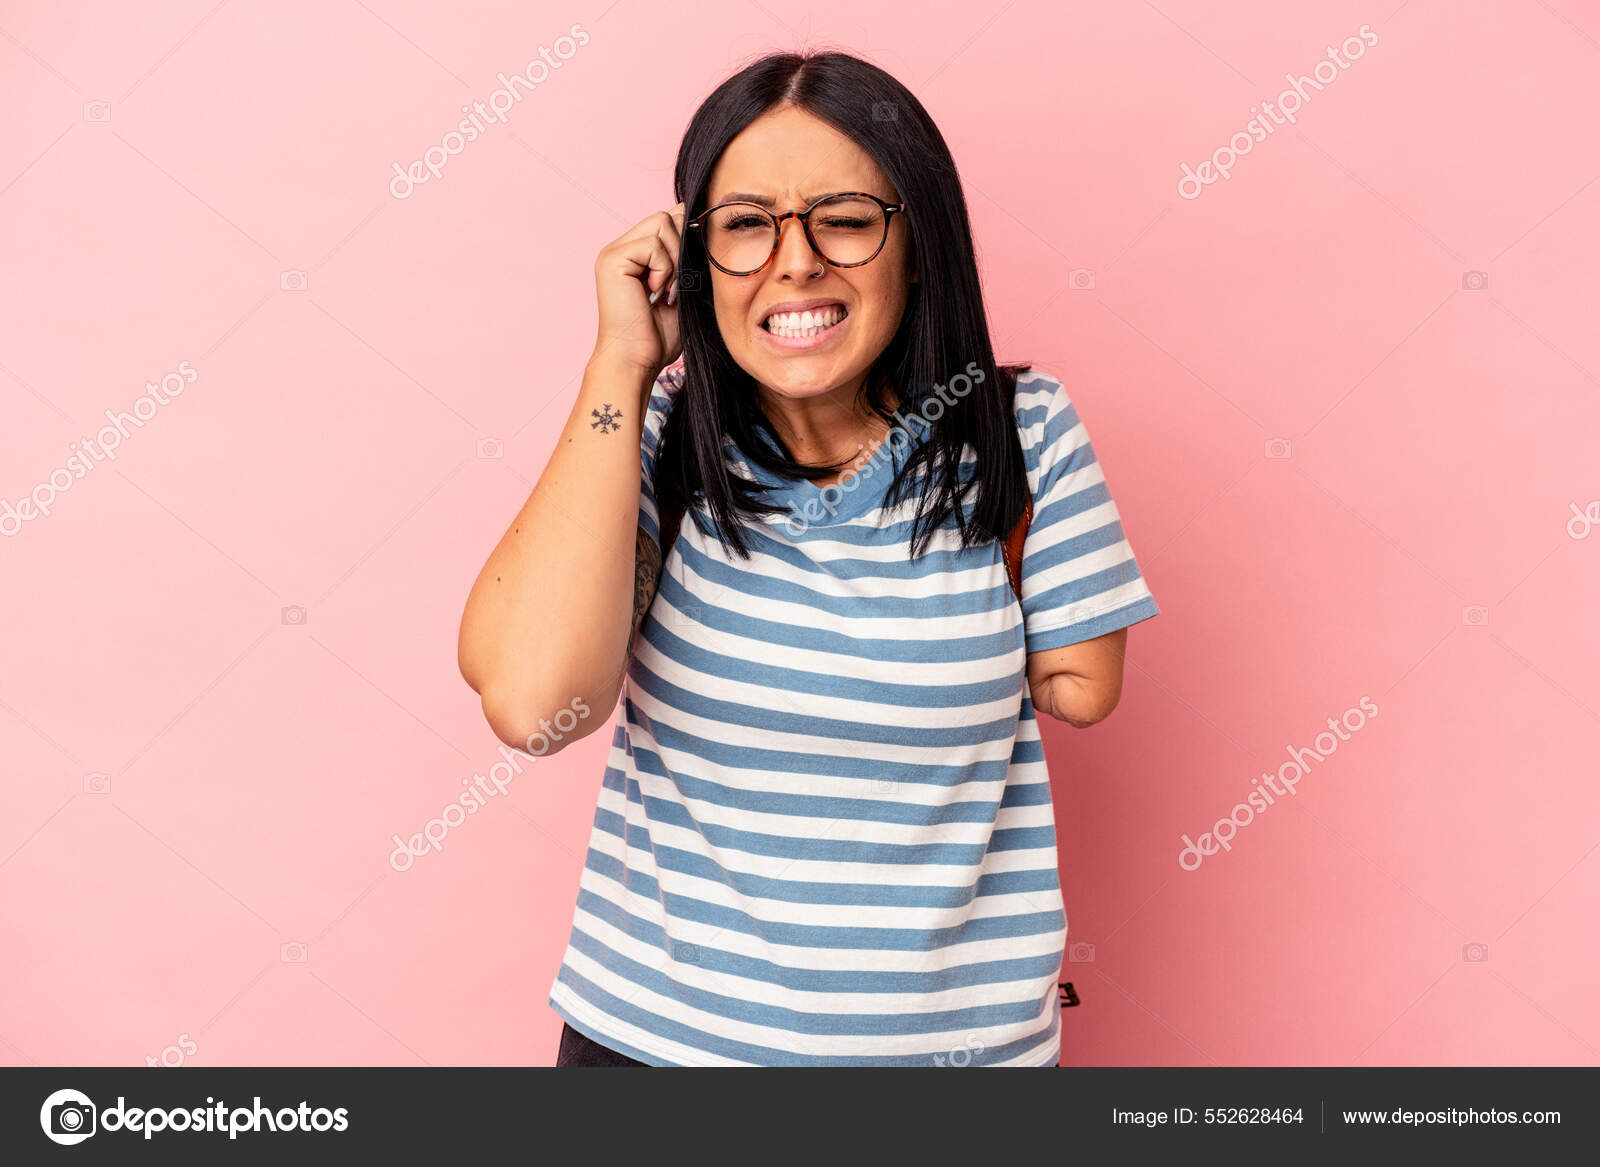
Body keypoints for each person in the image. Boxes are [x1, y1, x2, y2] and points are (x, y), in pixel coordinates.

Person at [457, 50, 1160, 1067]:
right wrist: (620, 362)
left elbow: (1084, 689)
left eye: (844, 218)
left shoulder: (1022, 432)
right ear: (696, 258)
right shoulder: (654, 439)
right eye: (747, 224)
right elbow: (533, 706)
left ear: (917, 245)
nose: (795, 263)